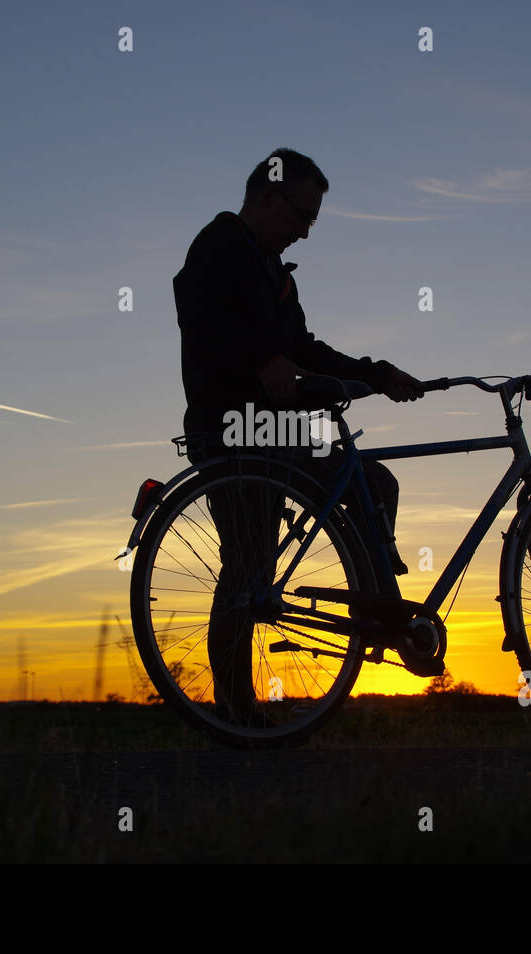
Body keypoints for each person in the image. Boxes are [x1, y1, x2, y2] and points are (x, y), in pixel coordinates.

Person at [172, 147, 426, 726]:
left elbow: (305, 350)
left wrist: (375, 373)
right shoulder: (219, 244)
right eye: (302, 217)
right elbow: (198, 311)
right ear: (267, 197)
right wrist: (263, 359)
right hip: (232, 430)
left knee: (371, 481)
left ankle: (376, 605)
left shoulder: (275, 275)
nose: (306, 234)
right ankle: (237, 714)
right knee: (249, 567)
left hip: (280, 431)